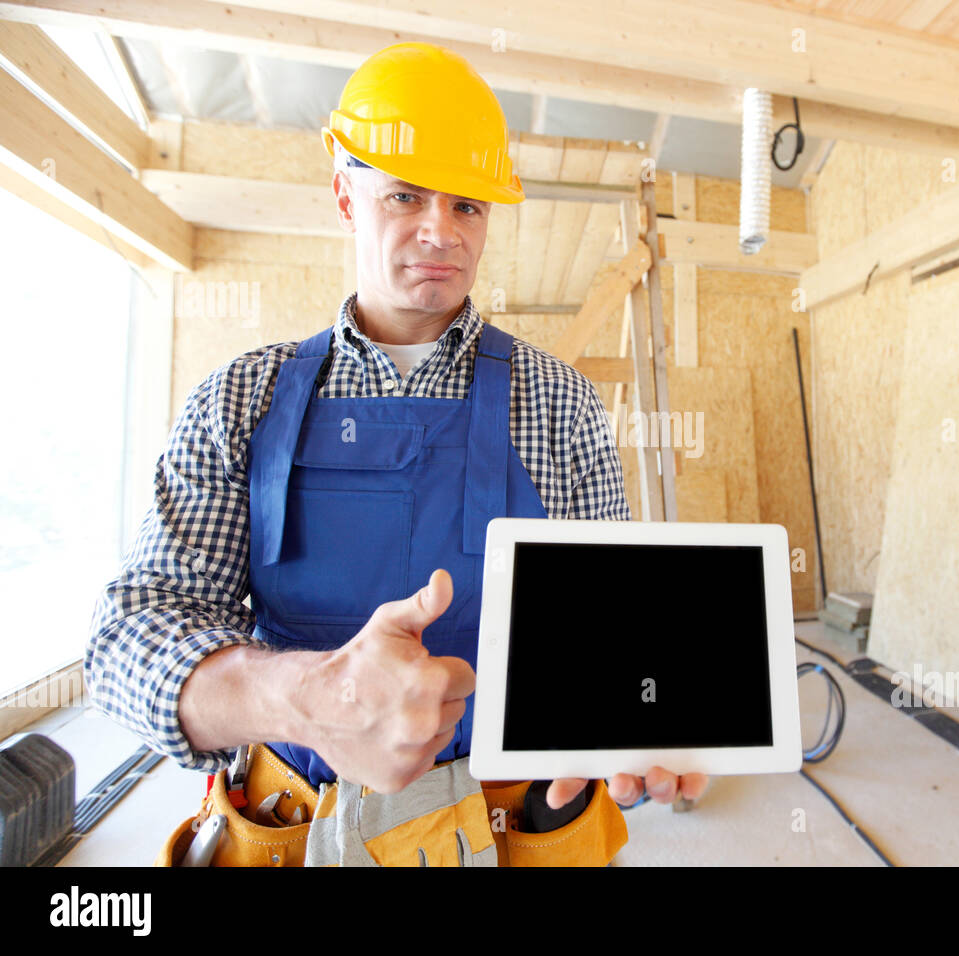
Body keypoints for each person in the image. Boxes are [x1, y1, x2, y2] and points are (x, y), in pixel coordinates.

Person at [86, 41, 706, 866]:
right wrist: (307, 699)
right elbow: (128, 640)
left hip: (505, 825)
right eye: (405, 195)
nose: (438, 232)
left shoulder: (560, 403)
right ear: (346, 197)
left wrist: (650, 705)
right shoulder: (241, 399)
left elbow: (617, 620)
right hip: (295, 820)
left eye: (468, 206)